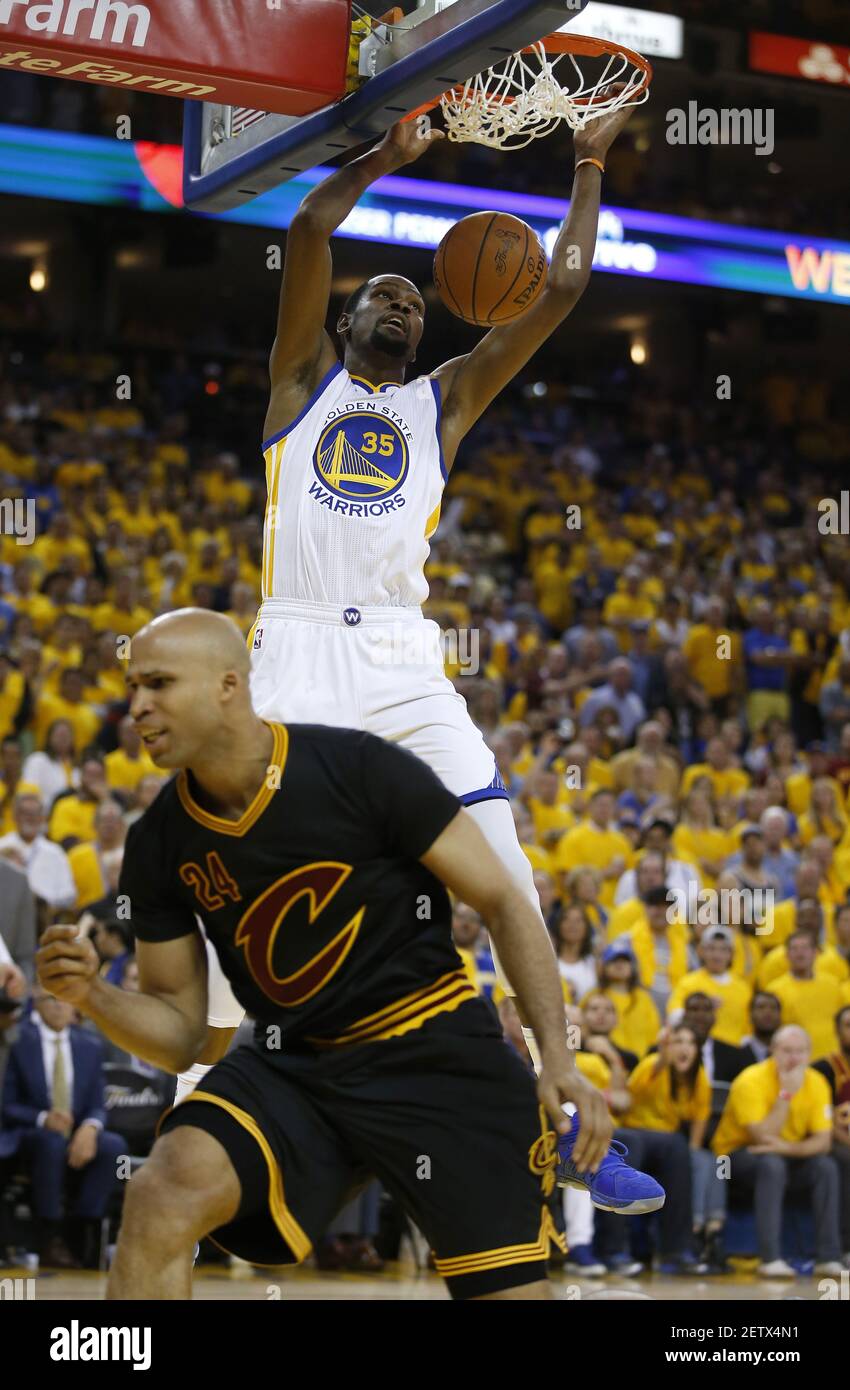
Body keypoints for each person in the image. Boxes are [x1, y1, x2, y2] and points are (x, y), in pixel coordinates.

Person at [36, 610, 661, 1302]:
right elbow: (183, 1035)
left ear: (228, 686)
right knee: (161, 1190)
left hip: (437, 1055)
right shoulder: (158, 843)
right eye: (133, 688)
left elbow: (505, 901)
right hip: (299, 1060)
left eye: (158, 683)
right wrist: (93, 995)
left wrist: (557, 1061)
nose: (138, 707)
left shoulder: (358, 767)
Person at [0, 986, 124, 1268]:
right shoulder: (19, 1043)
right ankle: (50, 1234)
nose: (58, 1006)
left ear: (75, 1007)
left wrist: (91, 1128)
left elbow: (97, 1103)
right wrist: (44, 1118)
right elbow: (8, 1105)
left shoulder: (90, 1046)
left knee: (115, 1147)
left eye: (65, 1001)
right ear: (36, 1004)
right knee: (51, 1142)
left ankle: (86, 1227)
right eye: (50, 1000)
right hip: (32, 1132)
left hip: (77, 1130)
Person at [712, 1025, 842, 1279]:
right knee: (771, 1164)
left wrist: (788, 1148)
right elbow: (763, 1137)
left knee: (826, 1167)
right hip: (727, 1160)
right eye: (787, 1051)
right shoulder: (750, 1080)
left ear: (810, 1053)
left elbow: (823, 1142)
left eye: (801, 1052)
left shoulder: (816, 1082)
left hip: (783, 1154)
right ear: (772, 1051)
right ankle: (770, 1258)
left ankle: (829, 1257)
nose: (794, 1058)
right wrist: (786, 1094)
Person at [596, 1025, 711, 1277]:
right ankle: (614, 1250)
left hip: (665, 1142)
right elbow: (628, 1098)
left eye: (689, 1043)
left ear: (697, 1050)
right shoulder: (652, 1064)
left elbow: (701, 1118)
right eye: (677, 1042)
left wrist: (690, 1154)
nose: (683, 1048)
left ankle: (676, 1251)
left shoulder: (699, 1077)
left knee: (681, 1148)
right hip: (629, 1132)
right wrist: (661, 1057)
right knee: (634, 1147)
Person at [667, 926, 752, 1047]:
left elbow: (748, 1028)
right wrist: (702, 1007)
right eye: (711, 948)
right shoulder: (688, 982)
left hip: (734, 1050)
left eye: (723, 950)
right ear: (701, 951)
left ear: (731, 954)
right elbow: (674, 1016)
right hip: (700, 1047)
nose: (717, 955)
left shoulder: (743, 988)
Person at [813, 1004, 850, 1264]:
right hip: (833, 1141)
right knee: (843, 1160)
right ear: (838, 1032)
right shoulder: (824, 1069)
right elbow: (822, 1122)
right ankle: (844, 1247)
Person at [770, 931, 843, 1061]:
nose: (800, 953)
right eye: (794, 948)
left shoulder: (833, 984)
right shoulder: (774, 990)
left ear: (815, 953)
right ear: (786, 955)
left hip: (835, 1060)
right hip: (797, 1060)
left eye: (805, 948)